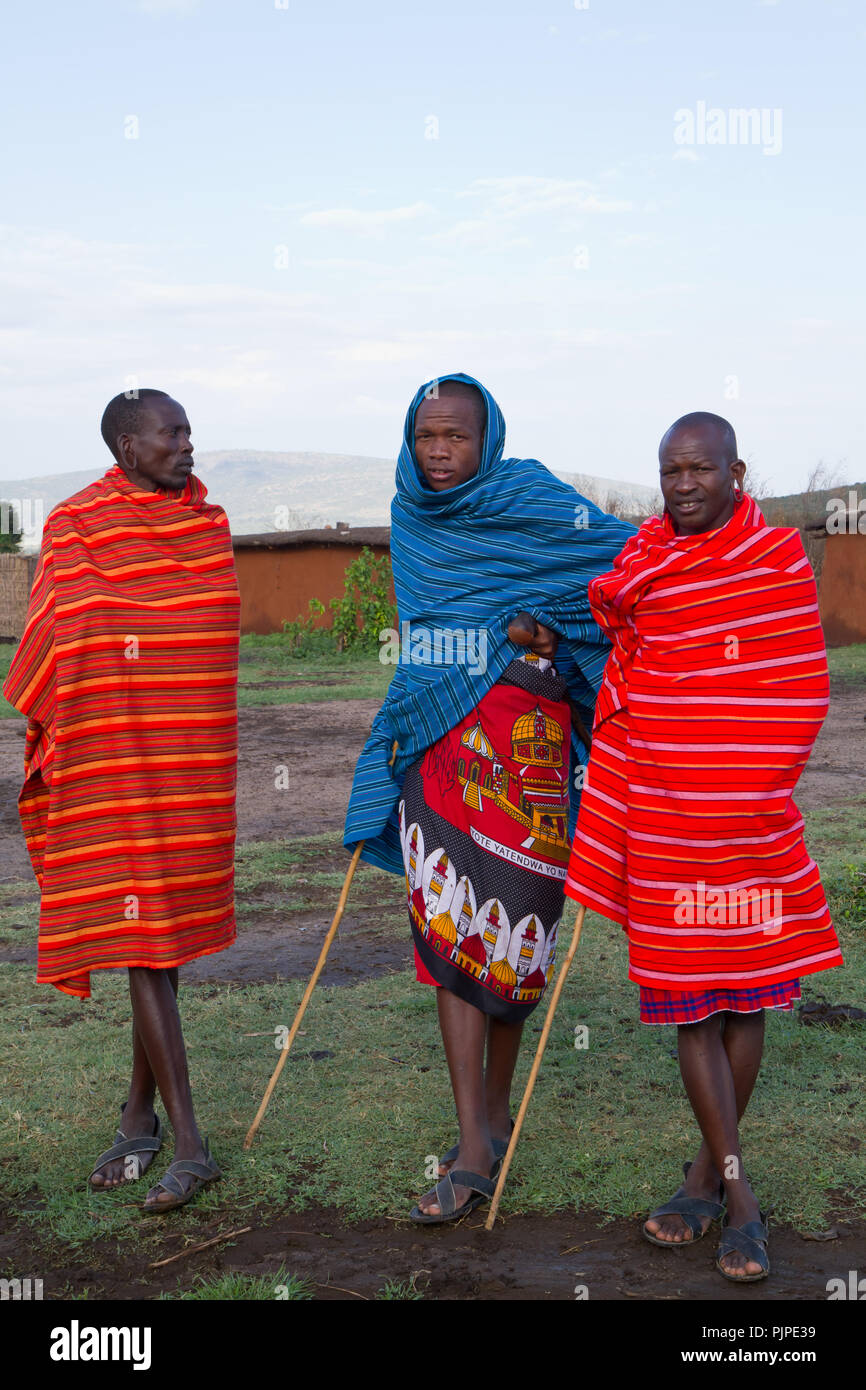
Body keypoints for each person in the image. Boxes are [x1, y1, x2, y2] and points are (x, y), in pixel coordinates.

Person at [344, 372, 634, 1222]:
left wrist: (545, 627)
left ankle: (498, 1112)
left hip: (531, 753)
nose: (439, 453)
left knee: (518, 932)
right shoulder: (411, 516)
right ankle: (471, 1140)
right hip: (437, 749)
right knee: (448, 930)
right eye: (426, 436)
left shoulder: (532, 497)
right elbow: (428, 631)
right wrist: (500, 628)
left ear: (488, 439)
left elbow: (616, 575)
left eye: (455, 437)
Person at [563, 410, 843, 1281]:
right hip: (667, 825)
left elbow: (801, 690)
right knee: (693, 1002)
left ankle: (706, 1179)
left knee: (746, 999)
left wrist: (742, 783)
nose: (684, 485)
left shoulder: (777, 562)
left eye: (701, 469)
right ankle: (739, 1196)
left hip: (751, 822)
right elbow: (632, 662)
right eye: (670, 470)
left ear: (737, 471)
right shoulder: (645, 563)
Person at [3, 389, 240, 1213]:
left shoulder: (206, 527)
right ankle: (187, 1142)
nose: (187, 444)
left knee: (158, 935)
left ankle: (142, 1118)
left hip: (187, 759)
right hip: (110, 758)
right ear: (126, 447)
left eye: (188, 431)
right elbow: (57, 639)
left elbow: (207, 627)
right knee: (145, 937)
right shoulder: (75, 527)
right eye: (170, 434)